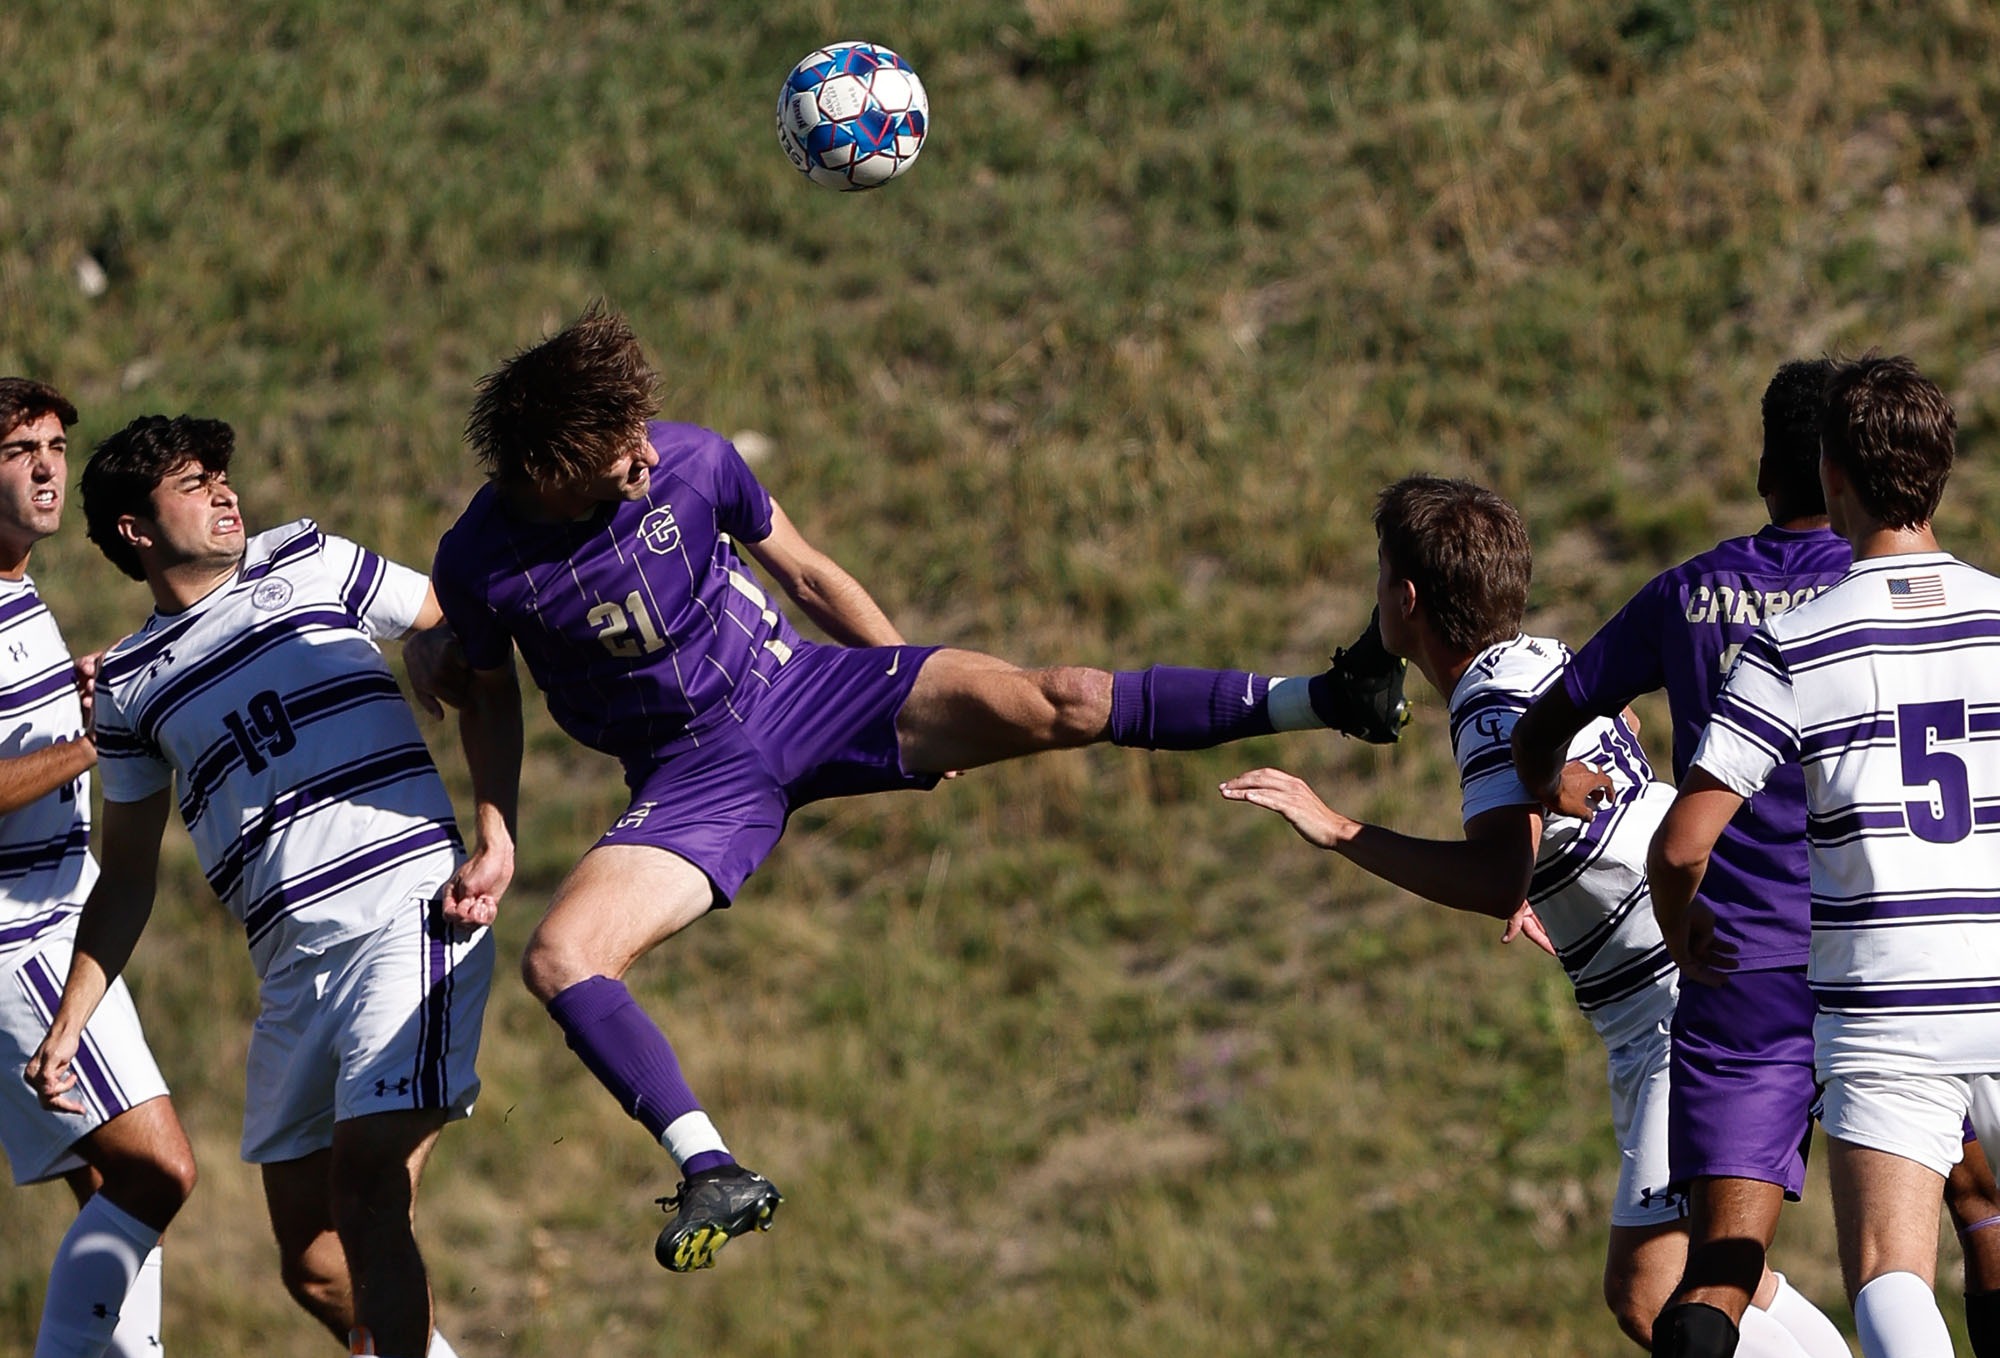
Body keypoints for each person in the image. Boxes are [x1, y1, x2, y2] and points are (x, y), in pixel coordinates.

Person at [424, 303, 1412, 1271]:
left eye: (642, 433)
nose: (645, 454)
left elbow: (807, 576)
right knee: (559, 956)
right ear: (551, 470)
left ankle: (1330, 693)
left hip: (808, 691)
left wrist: (905, 691)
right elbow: (488, 696)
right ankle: (712, 1168)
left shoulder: (694, 460)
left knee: (1059, 696)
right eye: (618, 450)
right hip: (693, 779)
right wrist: (497, 832)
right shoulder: (480, 562)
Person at [1218, 473, 1909, 1358]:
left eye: (1378, 574)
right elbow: (1616, 742)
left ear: (1405, 598)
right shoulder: (1534, 657)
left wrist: (1338, 830)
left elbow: (1496, 859)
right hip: (1707, 962)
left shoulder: (1480, 705)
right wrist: (1557, 877)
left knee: (1645, 1291)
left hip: (1675, 1000)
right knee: (1734, 1274)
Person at [24, 415, 544, 1358]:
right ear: (134, 527)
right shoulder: (127, 685)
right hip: (291, 970)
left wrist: (491, 812)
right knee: (310, 1261)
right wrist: (72, 1016)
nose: (225, 494)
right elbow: (124, 875)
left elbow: (459, 635)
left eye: (224, 475)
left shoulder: (308, 555)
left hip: (414, 911)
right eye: (195, 483)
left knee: (365, 1191)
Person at [1512, 359, 1921, 1358]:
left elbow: (1546, 718)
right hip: (1896, 958)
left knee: (1711, 1270)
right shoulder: (1901, 589)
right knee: (1939, 1234)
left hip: (1739, 963)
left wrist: (1544, 776)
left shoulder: (1686, 591)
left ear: (1764, 466)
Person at [1650, 355, 1995, 1358]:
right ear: (1937, 473)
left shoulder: (1795, 641)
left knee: (1890, 1263)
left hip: (1885, 1002)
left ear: (1830, 476)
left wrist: (1680, 919)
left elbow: (1682, 839)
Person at [0, 381, 195, 1358]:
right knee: (160, 1171)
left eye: (55, 447)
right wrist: (92, 734)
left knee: (119, 1201)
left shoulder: (20, 592)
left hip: (48, 918)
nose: (44, 467)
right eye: (19, 449)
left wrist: (76, 698)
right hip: (18, 934)